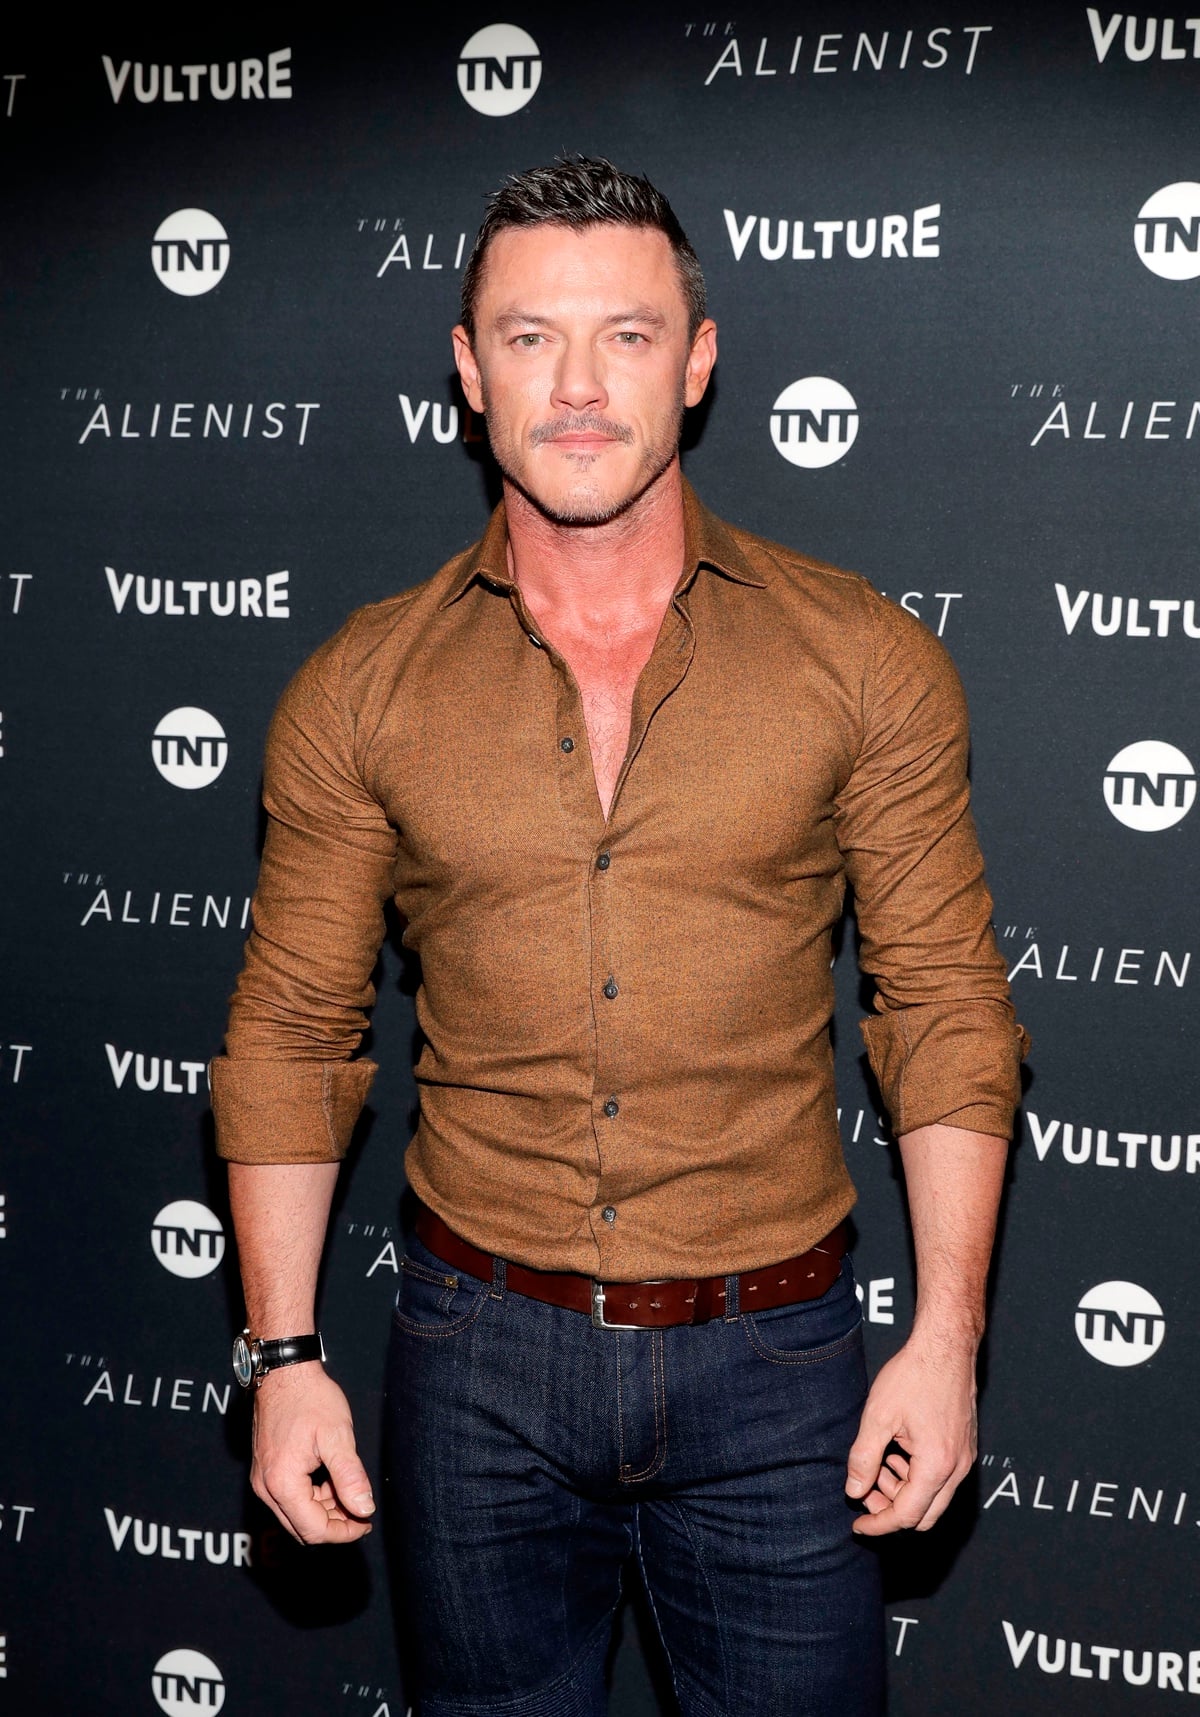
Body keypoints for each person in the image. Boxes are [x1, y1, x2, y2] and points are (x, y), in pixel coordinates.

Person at [211, 157, 1027, 1717]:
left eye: (628, 336)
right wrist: (283, 1353)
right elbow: (295, 1035)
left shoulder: (863, 660)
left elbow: (945, 1010)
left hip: (779, 1367)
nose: (578, 385)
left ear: (698, 362)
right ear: (468, 370)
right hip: (474, 1367)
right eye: (531, 337)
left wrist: (947, 1337)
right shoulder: (359, 689)